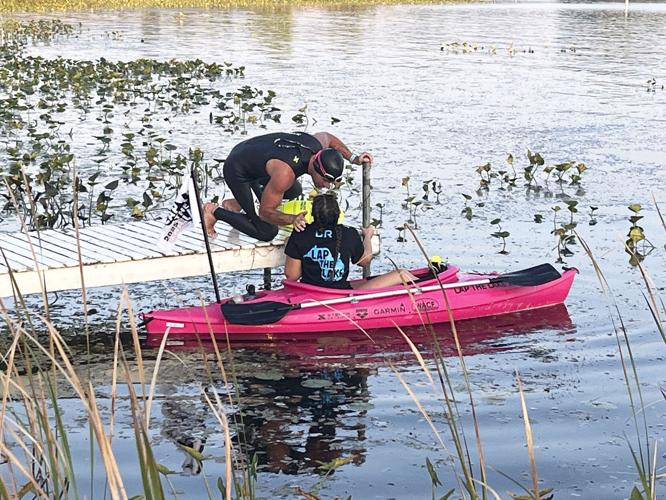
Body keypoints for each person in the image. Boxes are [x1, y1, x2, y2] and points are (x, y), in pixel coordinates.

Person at [203, 131, 373, 242]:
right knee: (267, 231)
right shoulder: (285, 174)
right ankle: (214, 211)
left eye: (333, 181)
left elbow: (328, 138)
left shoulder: (317, 146)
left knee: (295, 190)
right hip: (238, 170)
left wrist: (353, 158)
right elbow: (265, 213)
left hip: (253, 156)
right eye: (326, 179)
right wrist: (292, 219)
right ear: (315, 165)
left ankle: (240, 201)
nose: (327, 186)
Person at [284, 194, 417, 290]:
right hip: (340, 294)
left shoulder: (300, 233)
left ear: (312, 214)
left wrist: (289, 244)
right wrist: (367, 237)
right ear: (338, 214)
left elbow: (292, 275)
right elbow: (364, 261)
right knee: (403, 274)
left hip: (312, 292)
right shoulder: (349, 233)